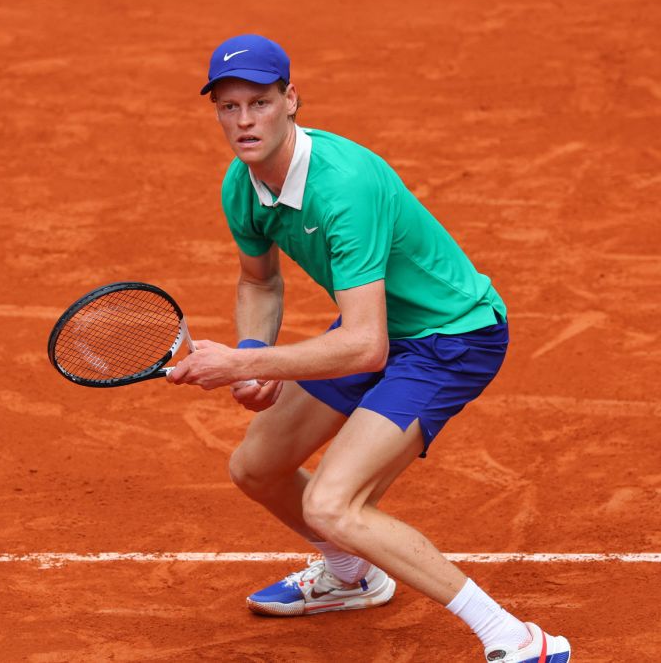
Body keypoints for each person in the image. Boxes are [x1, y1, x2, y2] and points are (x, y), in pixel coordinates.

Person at [167, 34, 571, 663]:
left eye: (260, 103)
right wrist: (253, 345)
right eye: (229, 107)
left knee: (333, 502)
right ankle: (349, 577)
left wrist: (245, 363)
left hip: (450, 338)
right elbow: (259, 279)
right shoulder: (241, 185)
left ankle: (519, 640)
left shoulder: (344, 186)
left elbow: (364, 346)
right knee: (256, 467)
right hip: (379, 330)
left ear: (291, 99)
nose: (245, 121)